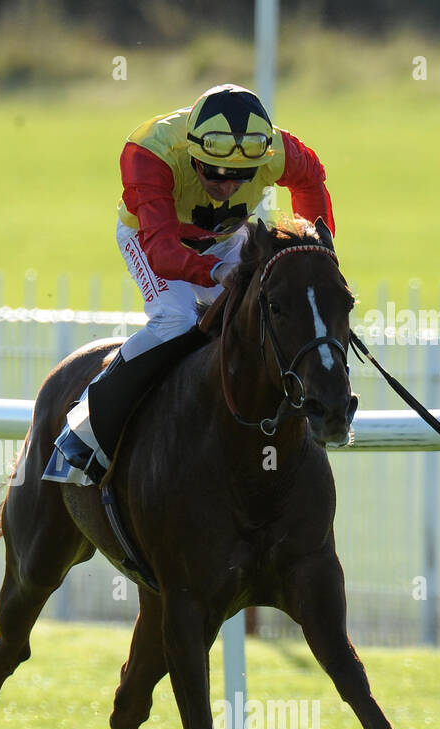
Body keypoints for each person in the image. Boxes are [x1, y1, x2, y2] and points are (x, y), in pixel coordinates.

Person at [53, 83, 335, 484]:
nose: (227, 188)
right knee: (178, 319)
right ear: (193, 154)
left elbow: (312, 179)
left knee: (264, 313)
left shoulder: (280, 150)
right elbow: (164, 249)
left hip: (227, 238)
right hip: (151, 237)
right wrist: (213, 272)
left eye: (242, 177)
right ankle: (84, 427)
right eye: (215, 174)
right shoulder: (149, 153)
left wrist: (317, 250)